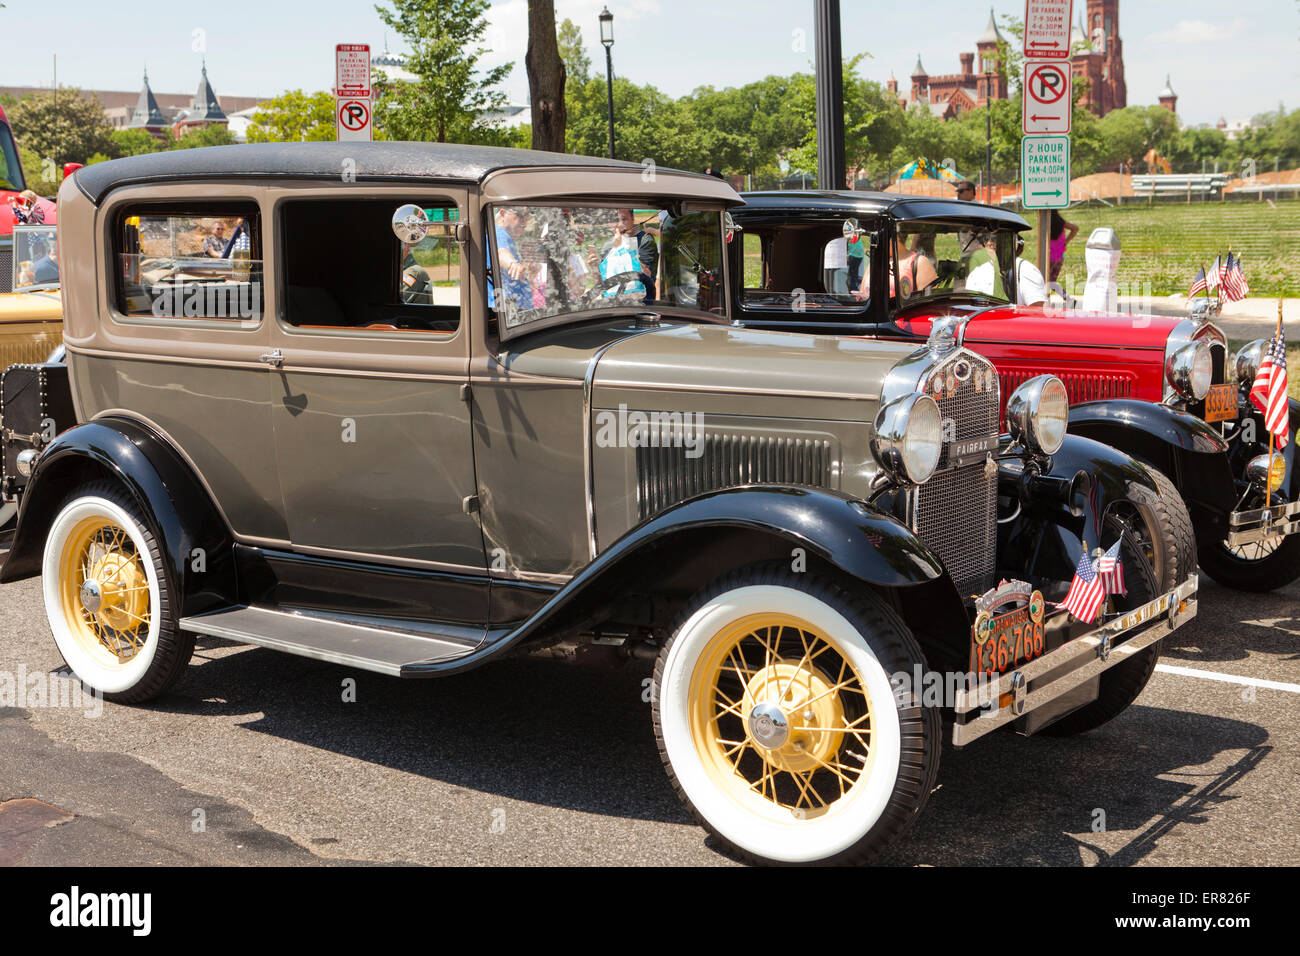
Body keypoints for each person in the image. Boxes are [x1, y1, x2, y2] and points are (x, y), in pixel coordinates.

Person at [587, 208, 658, 301]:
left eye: (624, 219)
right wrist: (594, 268)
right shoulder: (608, 246)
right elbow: (601, 285)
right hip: (611, 303)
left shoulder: (644, 240)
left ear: (632, 219)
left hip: (638, 303)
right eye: (616, 220)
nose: (620, 224)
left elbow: (648, 276)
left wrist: (625, 246)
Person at [854, 231, 938, 301]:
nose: (874, 242)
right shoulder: (875, 262)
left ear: (894, 237)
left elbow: (928, 303)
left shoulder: (919, 262)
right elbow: (862, 293)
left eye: (878, 236)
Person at [967, 236, 1046, 306]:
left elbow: (1037, 308)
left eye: (994, 240)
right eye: (985, 240)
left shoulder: (1025, 269)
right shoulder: (982, 269)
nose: (989, 243)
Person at [491, 205, 534, 309]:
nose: (524, 221)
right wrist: (512, 264)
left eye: (527, 216)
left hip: (509, 307)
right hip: (508, 310)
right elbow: (500, 253)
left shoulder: (503, 235)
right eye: (520, 215)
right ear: (503, 214)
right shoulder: (499, 233)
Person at [1048, 211, 1078, 283]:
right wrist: (1065, 242)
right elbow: (1075, 228)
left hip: (1048, 256)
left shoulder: (1045, 223)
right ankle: (1061, 291)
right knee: (1052, 282)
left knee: (1045, 282)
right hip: (1060, 256)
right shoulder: (1060, 222)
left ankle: (1059, 290)